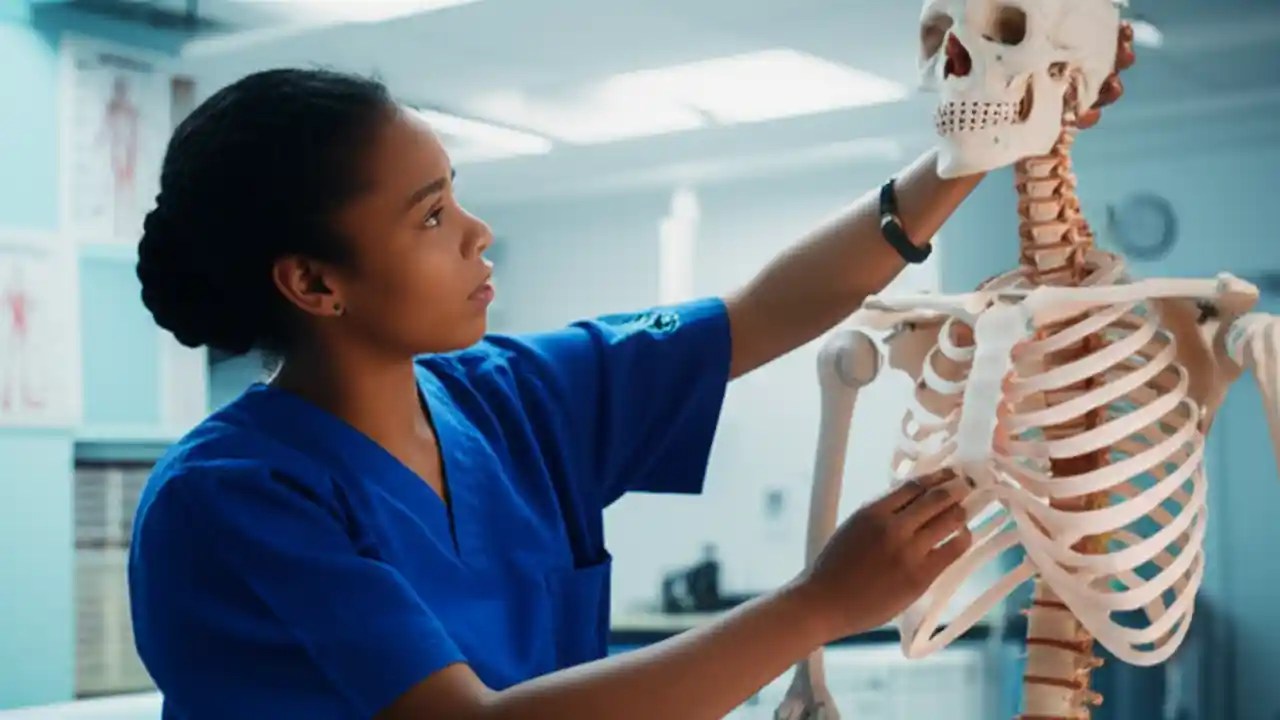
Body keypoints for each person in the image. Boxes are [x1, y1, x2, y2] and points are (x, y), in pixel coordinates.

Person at [128, 27, 1135, 720]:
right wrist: (815, 607)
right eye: (431, 216)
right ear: (313, 281)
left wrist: (973, 140)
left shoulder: (508, 397)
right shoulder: (235, 498)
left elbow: (760, 312)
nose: (480, 235)